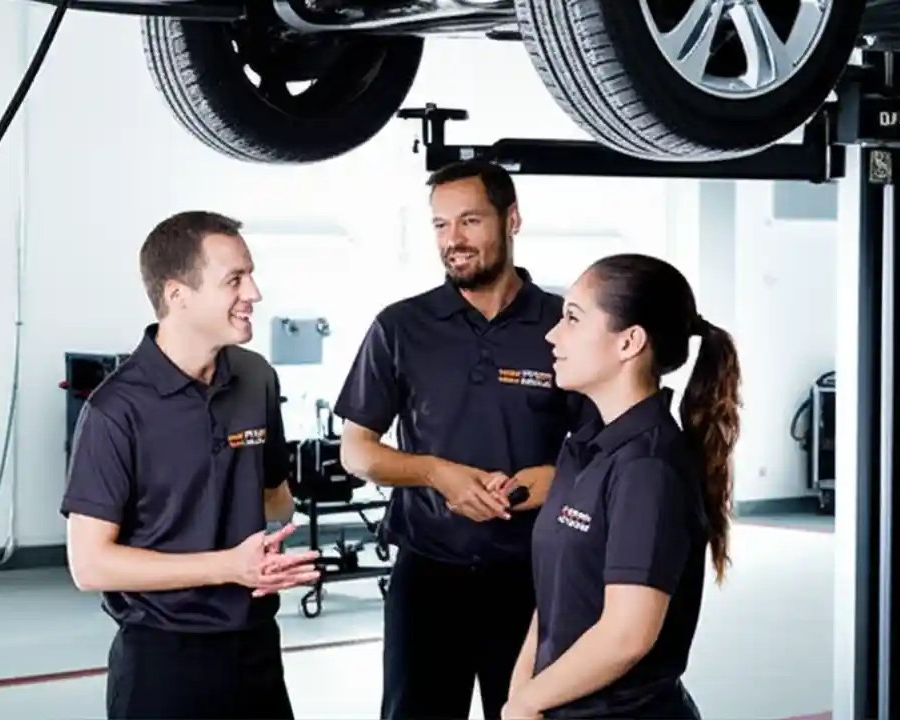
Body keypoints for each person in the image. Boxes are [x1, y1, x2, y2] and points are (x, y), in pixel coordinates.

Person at [335, 159, 598, 720]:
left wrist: (555, 481)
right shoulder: (400, 327)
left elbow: (604, 452)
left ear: (512, 220)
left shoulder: (564, 327)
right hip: (429, 577)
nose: (452, 240)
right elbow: (356, 450)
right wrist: (435, 472)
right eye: (439, 225)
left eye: (470, 221)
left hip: (534, 577)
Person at [60, 210, 321, 720]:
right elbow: (89, 565)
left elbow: (275, 495)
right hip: (163, 659)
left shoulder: (256, 377)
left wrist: (262, 551)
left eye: (250, 274)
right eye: (234, 280)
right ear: (178, 296)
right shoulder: (115, 410)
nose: (255, 293)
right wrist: (228, 565)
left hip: (256, 650)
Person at [501, 253, 741, 720]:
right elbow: (555, 598)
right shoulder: (583, 449)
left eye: (572, 318)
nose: (553, 335)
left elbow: (626, 636)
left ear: (630, 342)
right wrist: (520, 694)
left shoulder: (649, 468)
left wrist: (527, 702)